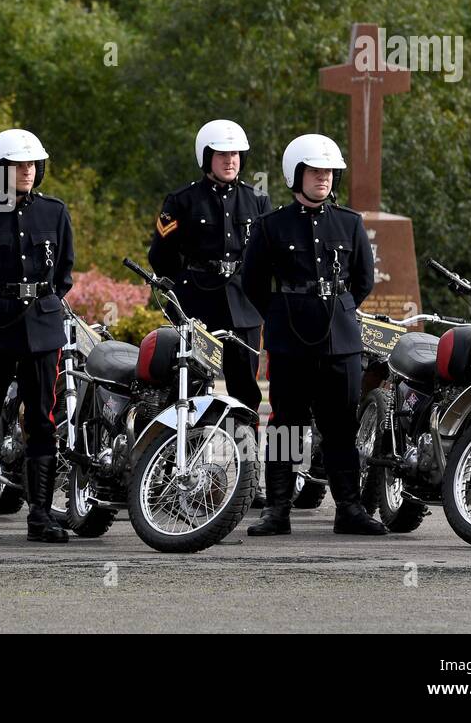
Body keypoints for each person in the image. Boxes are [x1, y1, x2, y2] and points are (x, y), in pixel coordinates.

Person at [241, 133, 386, 536]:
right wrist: (282, 313)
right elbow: (253, 283)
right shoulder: (271, 226)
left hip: (340, 342)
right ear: (296, 174)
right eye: (315, 171)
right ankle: (278, 510)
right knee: (286, 425)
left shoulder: (350, 223)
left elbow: (362, 281)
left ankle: (350, 510)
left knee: (341, 425)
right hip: (290, 343)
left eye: (328, 172)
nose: (323, 178)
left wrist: (337, 309)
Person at [0, 129, 74, 544]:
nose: (27, 171)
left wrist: (42, 305)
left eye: (31, 165)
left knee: (42, 420)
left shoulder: (55, 213)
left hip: (41, 328)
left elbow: (63, 276)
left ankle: (40, 515)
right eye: (18, 165)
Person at [147, 119, 270, 507]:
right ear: (207, 157)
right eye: (222, 154)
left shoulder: (258, 200)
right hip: (198, 303)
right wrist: (178, 293)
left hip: (243, 306)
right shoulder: (181, 201)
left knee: (246, 394)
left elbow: (266, 258)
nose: (230, 160)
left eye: (235, 154)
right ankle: (175, 472)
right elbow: (160, 255)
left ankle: (251, 479)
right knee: (189, 390)